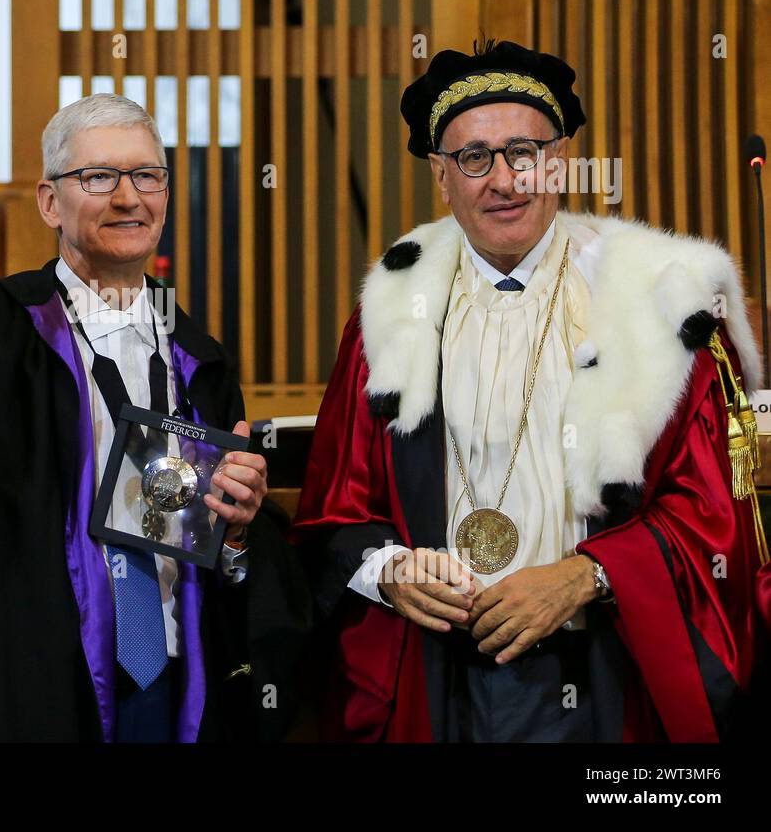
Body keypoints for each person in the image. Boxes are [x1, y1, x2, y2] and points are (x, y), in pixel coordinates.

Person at [0, 4, 308, 741]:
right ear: (49, 202)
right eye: (99, 176)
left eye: (147, 176)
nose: (129, 196)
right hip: (27, 682)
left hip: (177, 684)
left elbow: (217, 547)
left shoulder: (200, 360)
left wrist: (235, 531)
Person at [294, 40, 768, 741]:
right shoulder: (391, 314)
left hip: (606, 667)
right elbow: (335, 509)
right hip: (437, 670)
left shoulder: (662, 303)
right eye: (474, 158)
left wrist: (588, 576)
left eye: (526, 152)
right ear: (441, 176)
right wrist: (391, 571)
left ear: (563, 160)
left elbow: (710, 514)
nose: (504, 180)